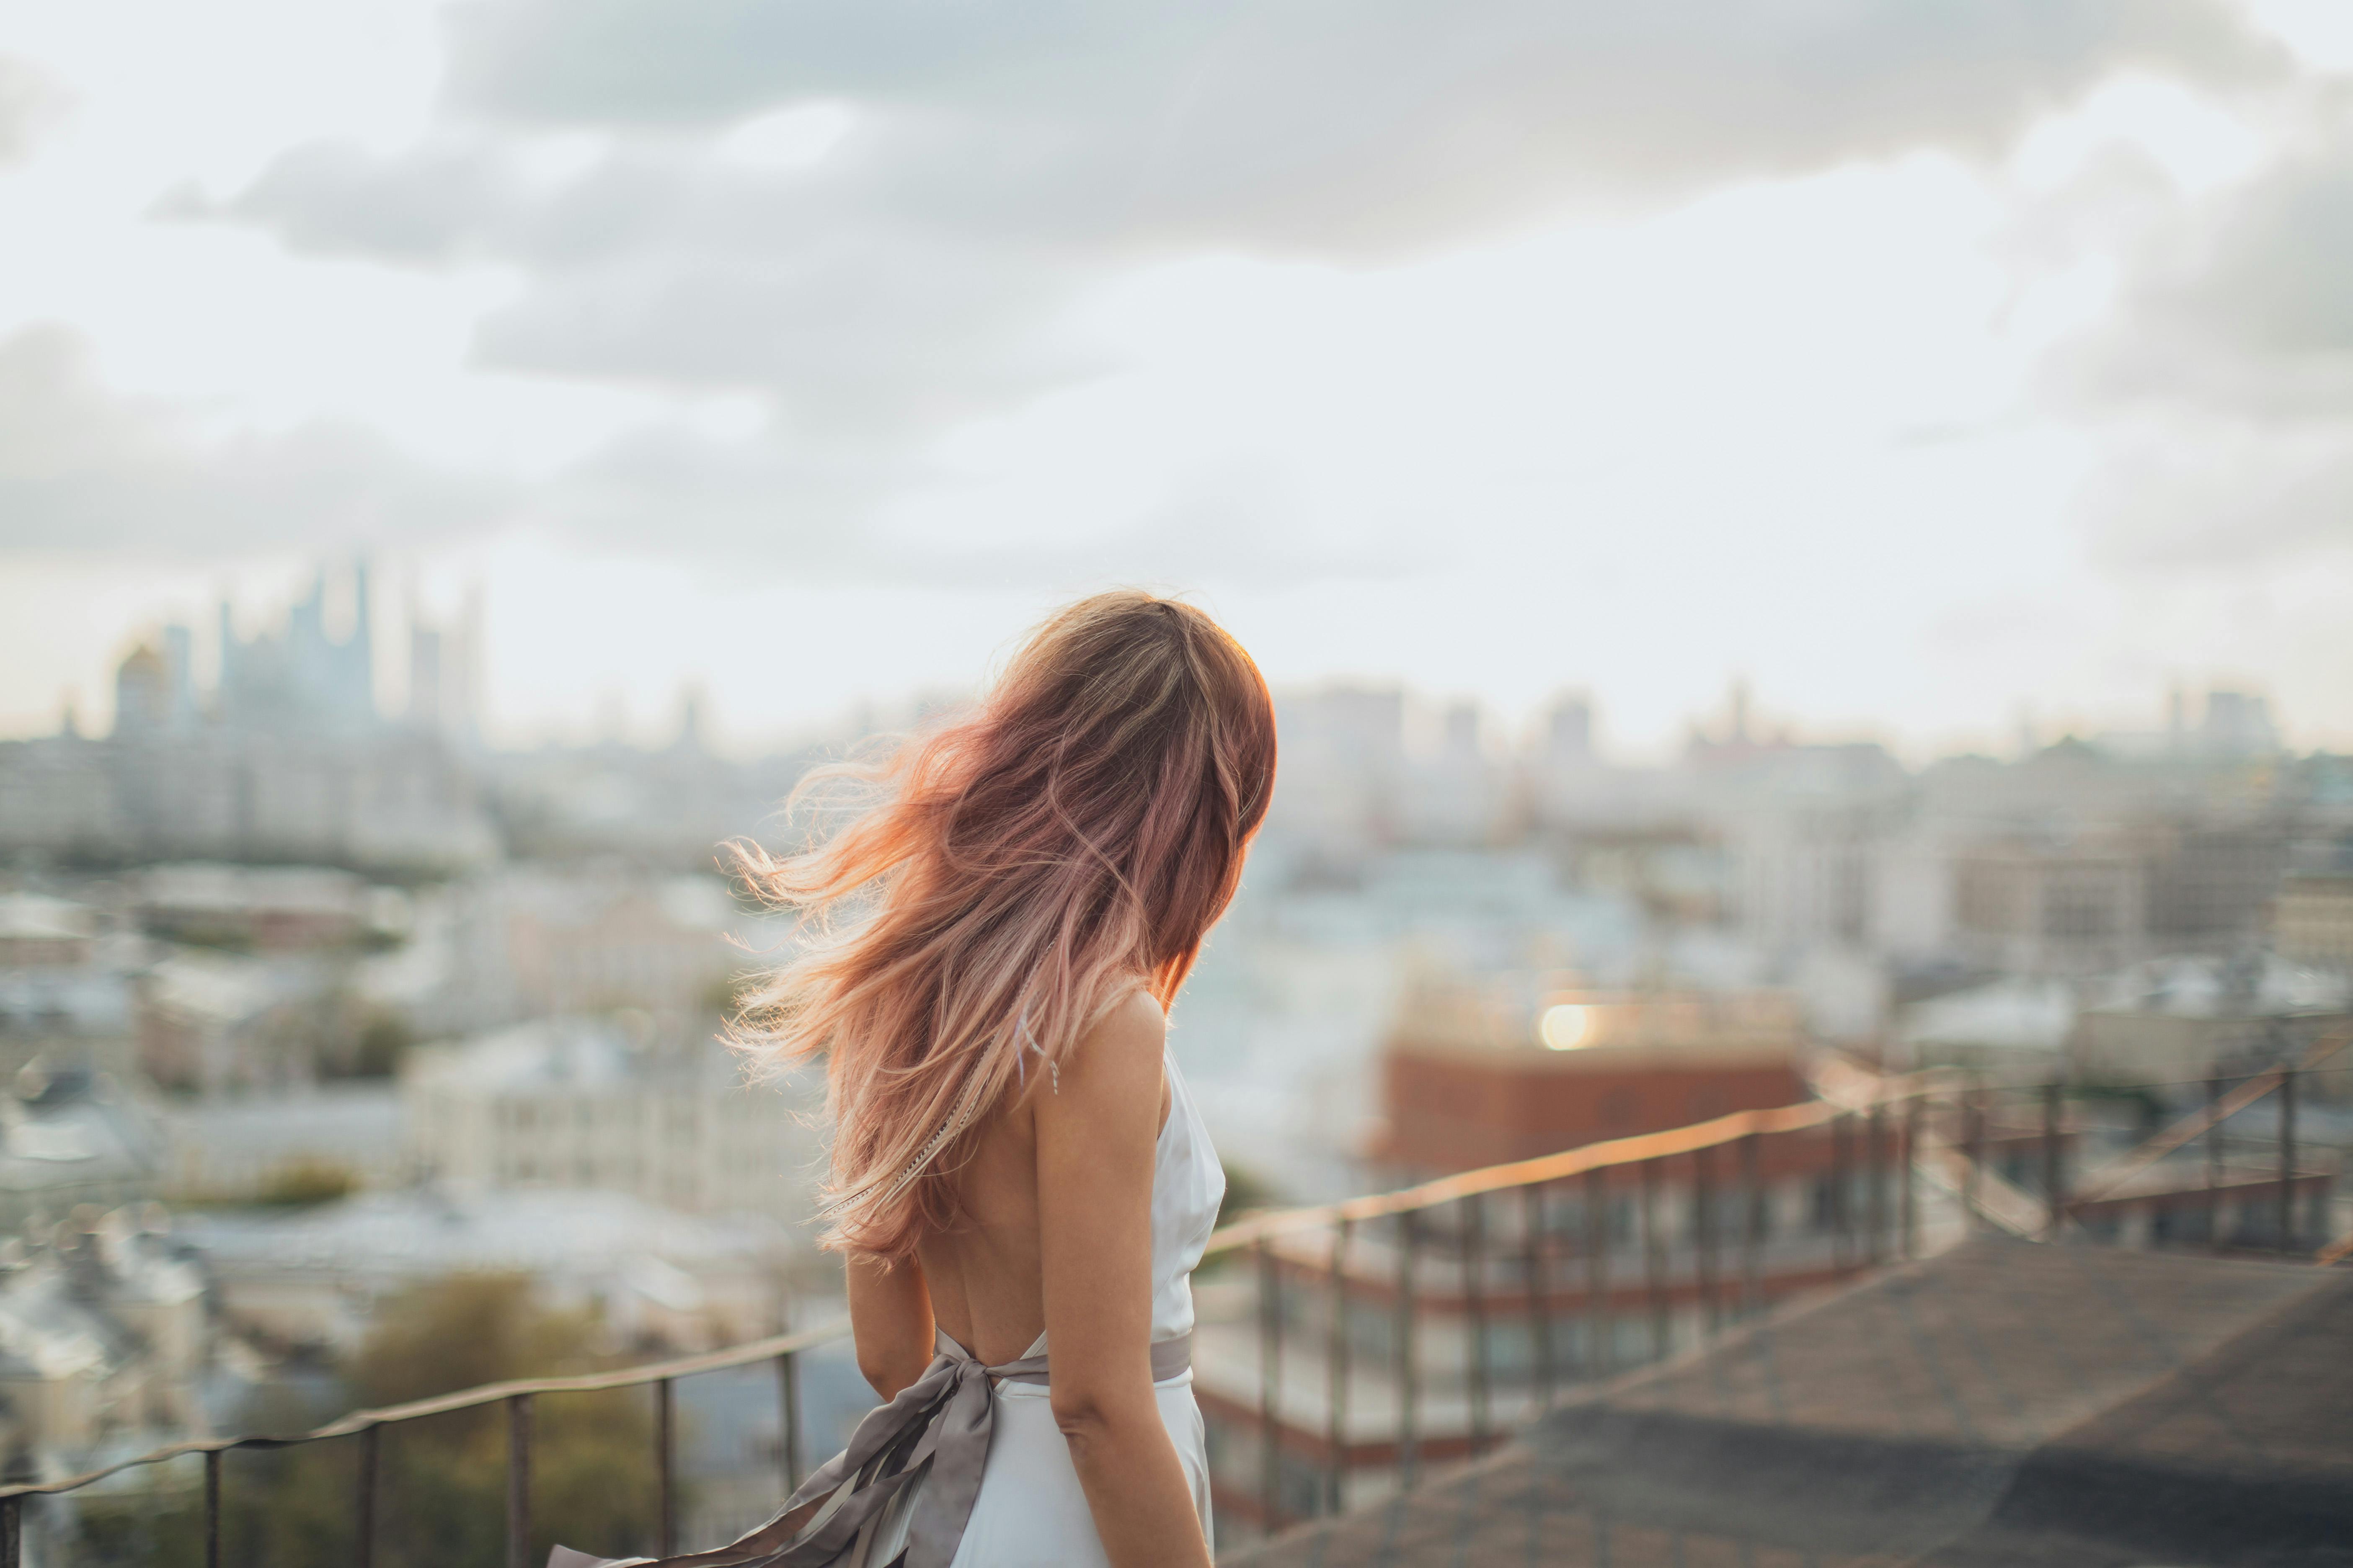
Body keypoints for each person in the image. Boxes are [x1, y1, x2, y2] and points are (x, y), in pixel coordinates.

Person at [550, 591, 1277, 1568]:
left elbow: (892, 1353)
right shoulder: (1108, 1022)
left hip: (942, 1509)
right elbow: (1098, 1407)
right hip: (1074, 1530)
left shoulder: (903, 986)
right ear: (1203, 802)